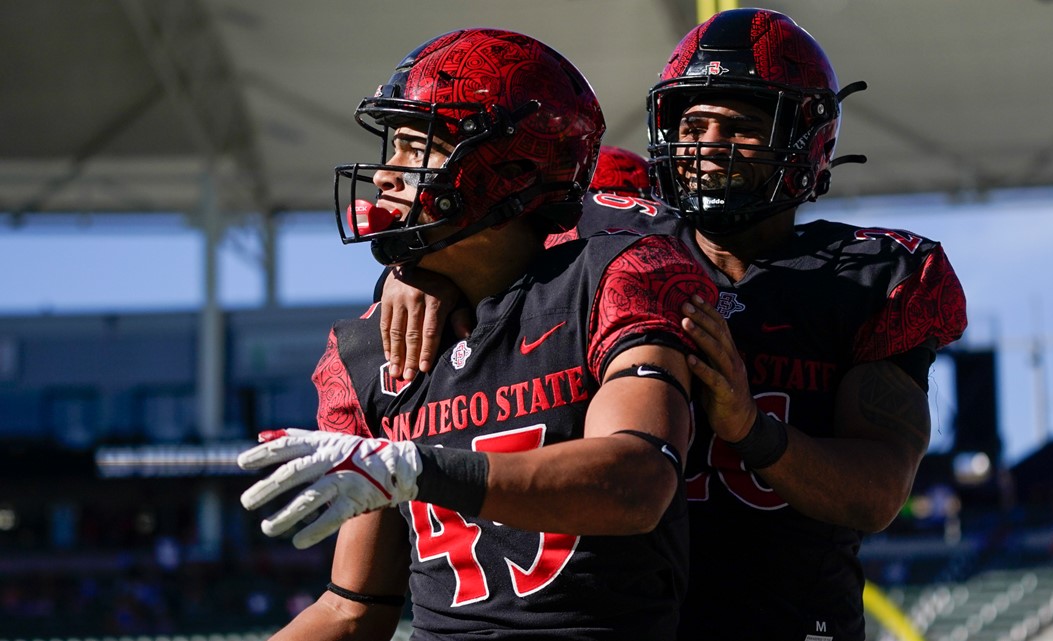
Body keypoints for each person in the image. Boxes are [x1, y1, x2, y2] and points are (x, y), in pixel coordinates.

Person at [375, 9, 969, 641]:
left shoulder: (875, 277)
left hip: (788, 622)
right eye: (692, 126)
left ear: (805, 139)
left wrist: (753, 431)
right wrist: (419, 271)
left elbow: (875, 494)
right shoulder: (608, 237)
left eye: (738, 128)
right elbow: (488, 237)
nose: (707, 146)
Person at [237, 27, 717, 641]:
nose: (385, 175)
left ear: (509, 170)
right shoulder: (368, 349)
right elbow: (353, 609)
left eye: (415, 147)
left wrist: (419, 469)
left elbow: (637, 485)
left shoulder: (615, 280)